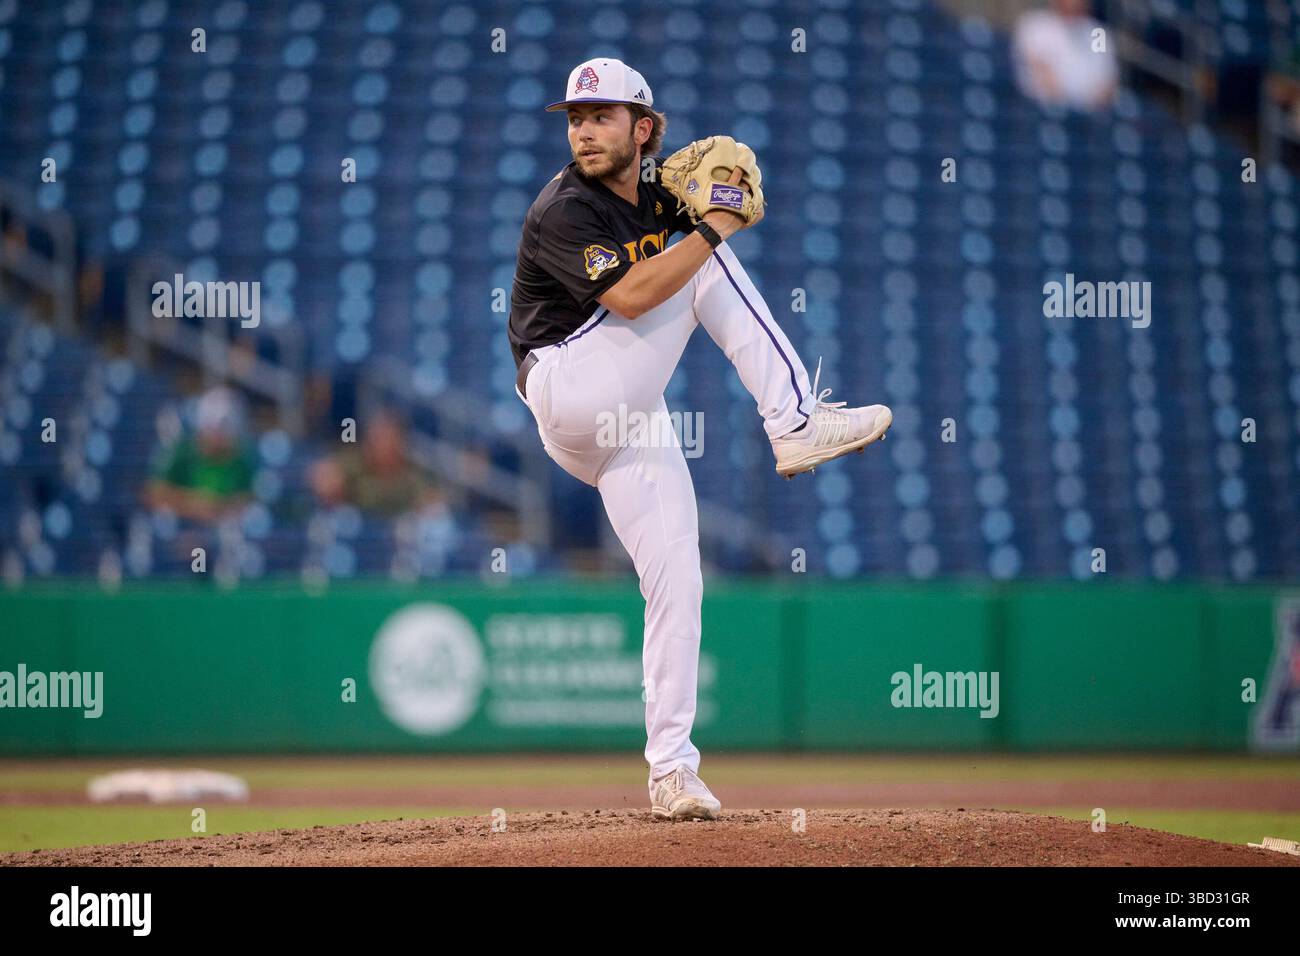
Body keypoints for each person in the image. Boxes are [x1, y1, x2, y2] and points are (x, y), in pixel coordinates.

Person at [507, 58, 893, 821]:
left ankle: (673, 773)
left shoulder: (660, 193)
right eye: (575, 118)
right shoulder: (563, 208)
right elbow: (633, 293)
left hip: (626, 421)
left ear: (643, 129)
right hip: (568, 389)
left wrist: (703, 225)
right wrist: (715, 223)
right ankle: (793, 419)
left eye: (601, 116)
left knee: (679, 580)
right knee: (703, 264)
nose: (582, 129)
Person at [145, 385, 254, 523]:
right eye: (216, 430)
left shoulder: (242, 461)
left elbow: (249, 500)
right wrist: (196, 506)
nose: (220, 437)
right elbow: (153, 494)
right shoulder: (180, 454)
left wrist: (220, 508)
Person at [308, 409, 439, 517]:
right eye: (378, 437)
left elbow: (431, 500)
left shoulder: (413, 473)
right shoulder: (355, 463)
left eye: (389, 438)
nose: (383, 443)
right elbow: (324, 474)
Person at [1013, 0, 1119, 112]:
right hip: (1044, 110)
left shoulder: (1097, 33)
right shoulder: (1035, 24)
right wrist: (1072, 103)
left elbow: (1107, 80)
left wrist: (1085, 107)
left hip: (1091, 113)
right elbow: (1042, 77)